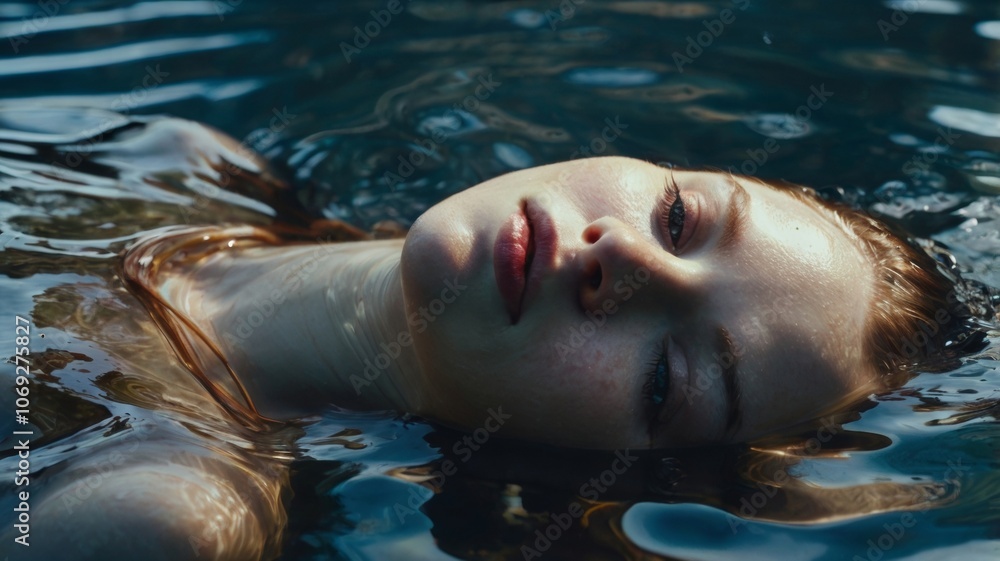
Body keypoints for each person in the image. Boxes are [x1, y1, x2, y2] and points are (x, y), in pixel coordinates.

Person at [122, 155, 971, 451]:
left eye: (666, 383)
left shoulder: (153, 509)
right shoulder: (197, 166)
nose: (627, 262)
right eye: (678, 218)